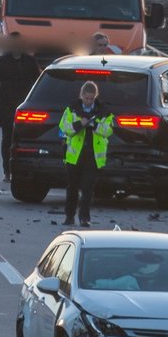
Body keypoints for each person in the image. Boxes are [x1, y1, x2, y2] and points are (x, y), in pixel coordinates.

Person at [58, 79, 114, 228]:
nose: (89, 101)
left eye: (91, 98)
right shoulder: (72, 109)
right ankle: (69, 216)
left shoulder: (103, 111)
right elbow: (64, 127)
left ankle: (84, 218)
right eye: (86, 98)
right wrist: (80, 124)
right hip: (75, 155)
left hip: (93, 156)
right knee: (72, 187)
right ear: (81, 95)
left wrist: (94, 124)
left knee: (88, 188)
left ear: (95, 97)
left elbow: (108, 130)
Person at [0, 48, 40, 172]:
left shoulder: (29, 61)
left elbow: (37, 80)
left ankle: (22, 168)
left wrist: (30, 97)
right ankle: (7, 168)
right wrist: (5, 94)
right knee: (7, 139)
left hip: (24, 105)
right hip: (7, 106)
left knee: (24, 139)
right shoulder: (1, 61)